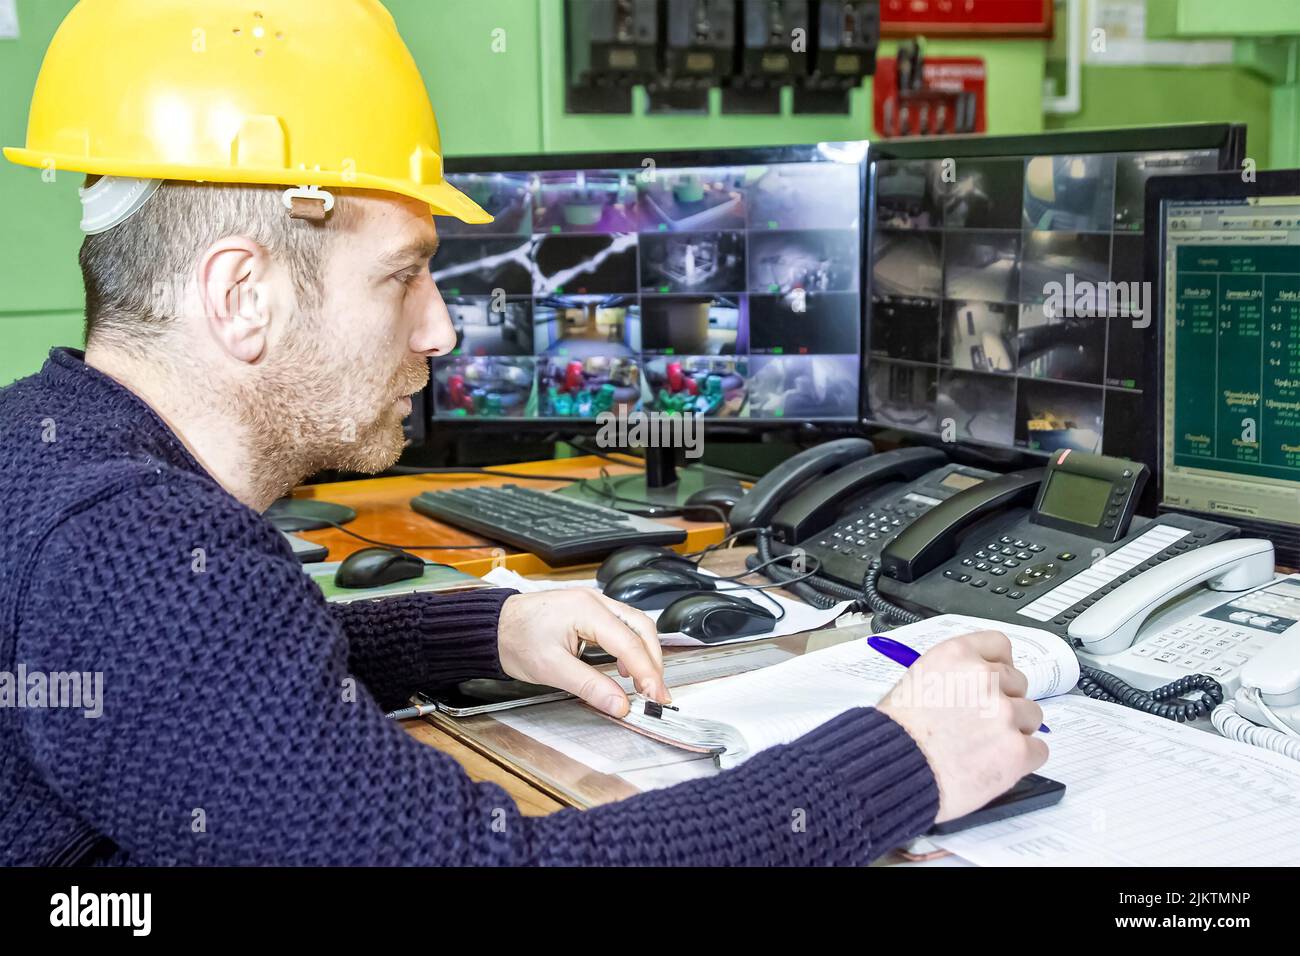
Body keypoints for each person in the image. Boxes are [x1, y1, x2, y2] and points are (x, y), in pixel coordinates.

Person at [0, 0, 1046, 866]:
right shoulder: (132, 557)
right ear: (242, 294)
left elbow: (218, 696)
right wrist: (899, 762)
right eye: (404, 273)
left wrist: (479, 632)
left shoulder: (49, 454)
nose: (442, 328)